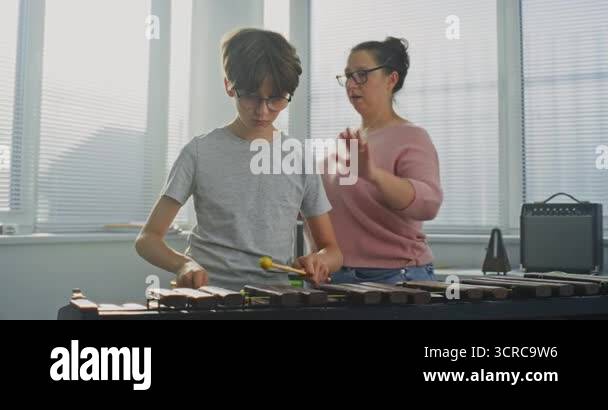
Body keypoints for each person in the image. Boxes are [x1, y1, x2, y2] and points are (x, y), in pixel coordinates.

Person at [135, 28, 342, 290]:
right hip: (211, 298)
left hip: (276, 300)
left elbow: (332, 249)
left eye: (276, 99)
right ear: (229, 86)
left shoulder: (299, 157)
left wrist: (320, 261)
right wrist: (183, 264)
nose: (263, 110)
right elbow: (148, 239)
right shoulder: (198, 152)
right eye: (252, 97)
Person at [324, 37, 443, 285]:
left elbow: (428, 204)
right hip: (337, 277)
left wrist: (374, 175)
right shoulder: (343, 142)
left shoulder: (412, 136)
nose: (351, 84)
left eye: (362, 74)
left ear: (391, 79)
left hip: (395, 277)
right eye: (348, 75)